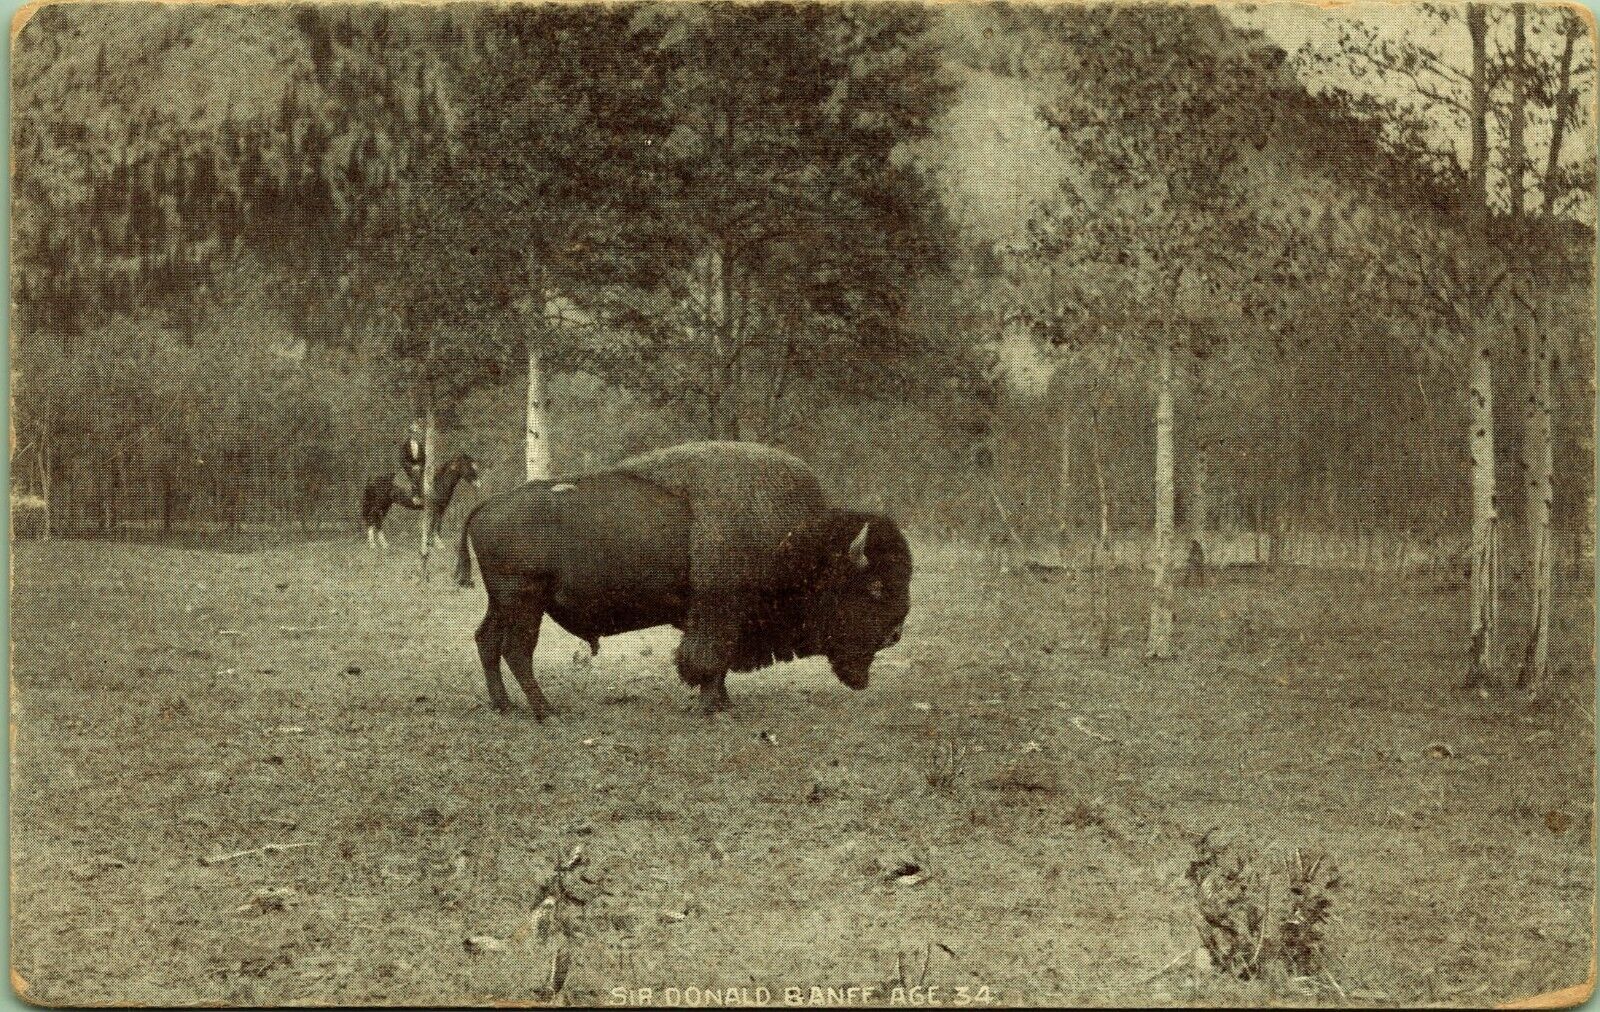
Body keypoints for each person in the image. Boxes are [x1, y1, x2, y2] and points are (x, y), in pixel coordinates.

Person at [400, 420, 425, 499]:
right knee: (415, 474)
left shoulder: (420, 445)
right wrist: (412, 466)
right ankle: (415, 496)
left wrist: (420, 465)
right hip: (409, 467)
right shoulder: (405, 445)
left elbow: (423, 458)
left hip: (419, 466)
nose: (415, 434)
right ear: (410, 433)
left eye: (416, 433)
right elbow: (402, 459)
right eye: (413, 433)